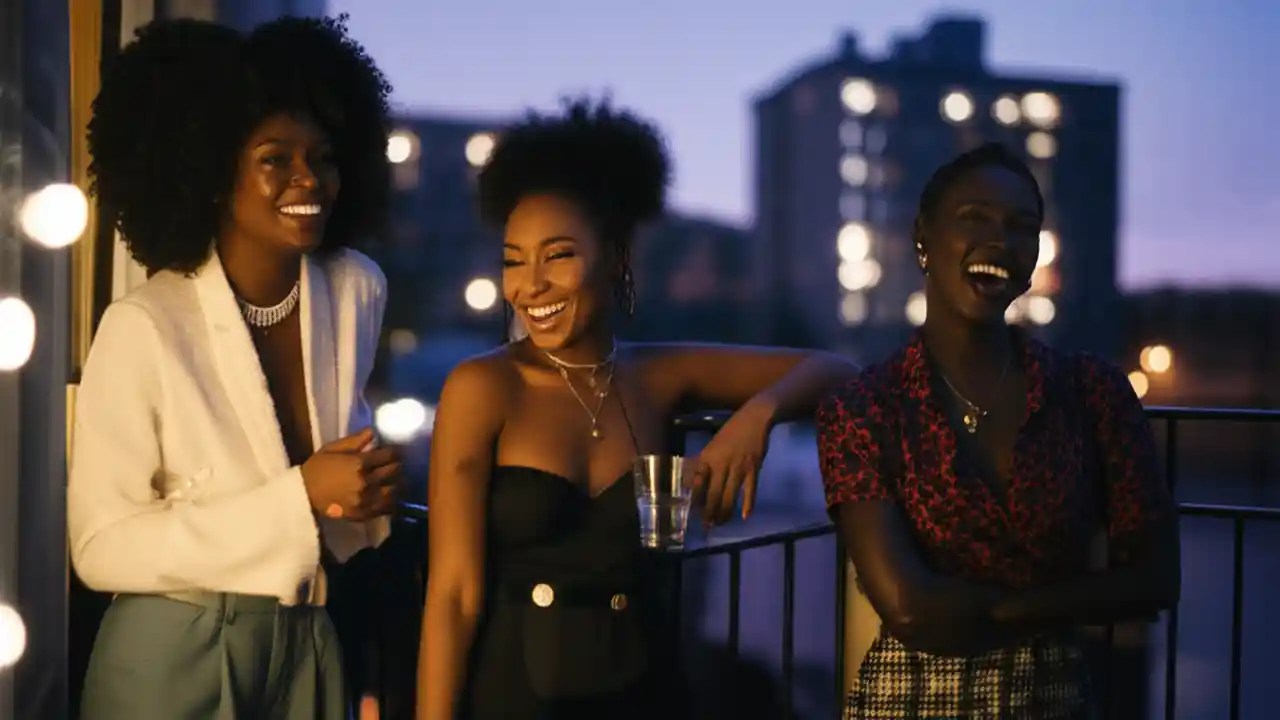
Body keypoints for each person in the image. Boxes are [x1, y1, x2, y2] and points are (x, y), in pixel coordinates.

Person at [416, 98, 860, 719]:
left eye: (559, 254)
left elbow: (839, 372)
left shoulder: (657, 374)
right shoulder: (481, 387)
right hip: (512, 696)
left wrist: (756, 416)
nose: (530, 285)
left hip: (643, 691)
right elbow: (453, 594)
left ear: (617, 258)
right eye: (514, 260)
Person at [69, 16, 399, 719]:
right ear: (214, 170)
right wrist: (302, 495)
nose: (309, 178)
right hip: (175, 654)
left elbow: (332, 496)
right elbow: (99, 548)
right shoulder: (144, 326)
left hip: (310, 639)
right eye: (276, 158)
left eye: (325, 155)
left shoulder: (354, 291)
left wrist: (362, 494)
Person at [817, 143, 1181, 719]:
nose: (1000, 241)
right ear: (923, 239)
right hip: (911, 702)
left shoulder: (1091, 393)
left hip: (1055, 698)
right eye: (974, 219)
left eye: (1021, 227)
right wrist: (1061, 602)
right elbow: (907, 607)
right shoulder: (864, 406)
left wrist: (994, 613)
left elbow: (1156, 578)